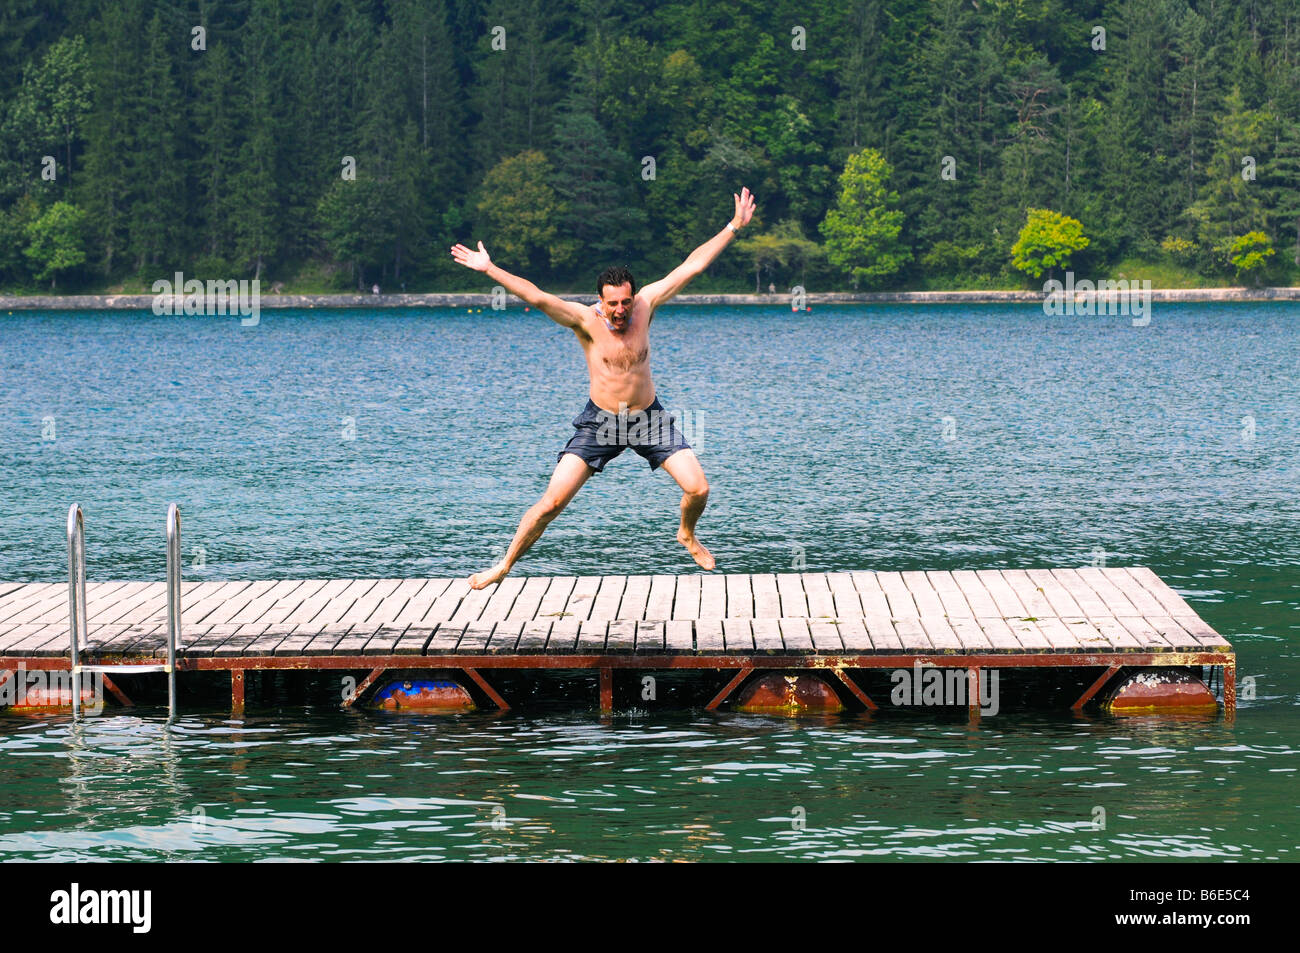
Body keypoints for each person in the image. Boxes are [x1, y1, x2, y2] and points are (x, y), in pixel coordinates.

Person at [450, 186, 757, 590]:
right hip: (601, 423)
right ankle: (504, 565)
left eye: (625, 303)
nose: (620, 311)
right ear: (600, 301)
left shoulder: (646, 304)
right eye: (612, 304)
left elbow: (691, 267)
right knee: (551, 503)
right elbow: (537, 296)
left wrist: (733, 226)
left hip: (648, 419)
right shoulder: (584, 320)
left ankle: (686, 533)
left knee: (698, 488)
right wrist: (490, 269)